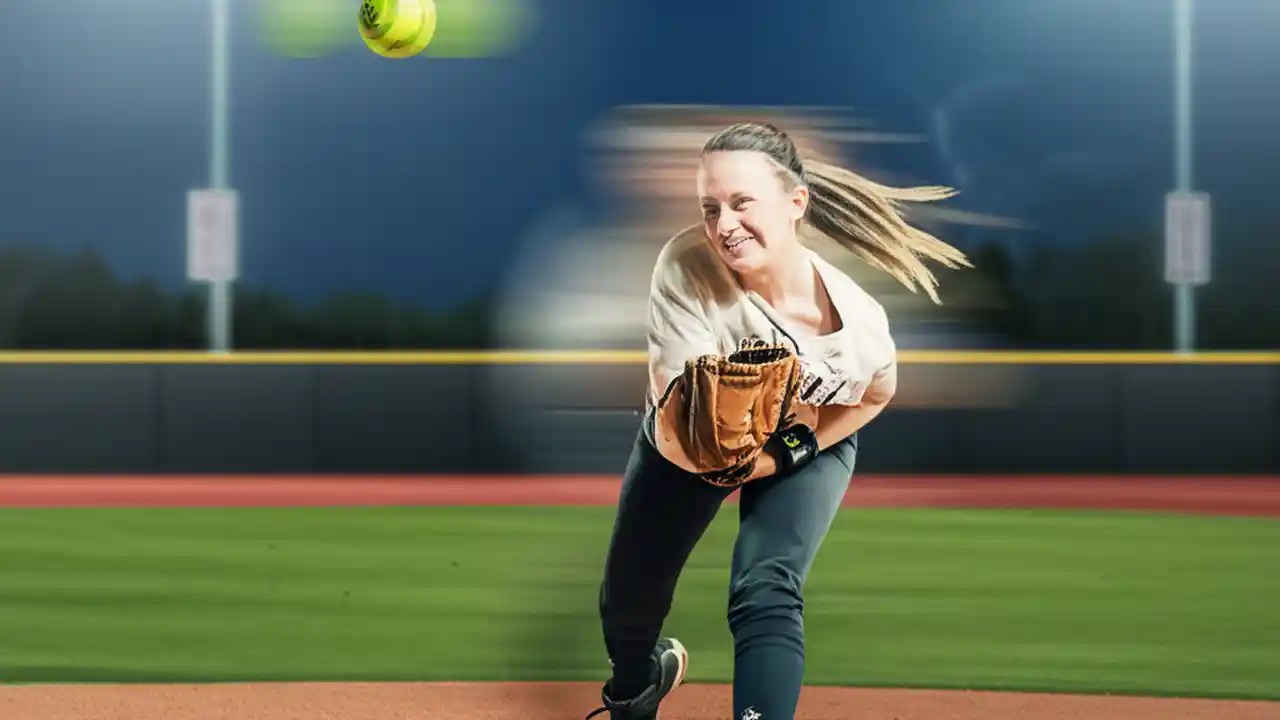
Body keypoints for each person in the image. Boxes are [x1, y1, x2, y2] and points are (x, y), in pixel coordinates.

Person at [585, 121, 970, 720]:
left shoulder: (860, 327)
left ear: (796, 203)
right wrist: (732, 454)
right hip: (687, 443)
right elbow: (679, 426)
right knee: (628, 608)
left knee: (766, 588)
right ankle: (636, 684)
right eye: (710, 208)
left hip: (808, 440)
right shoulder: (687, 266)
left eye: (742, 203)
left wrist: (788, 450)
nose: (723, 226)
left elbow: (873, 396)